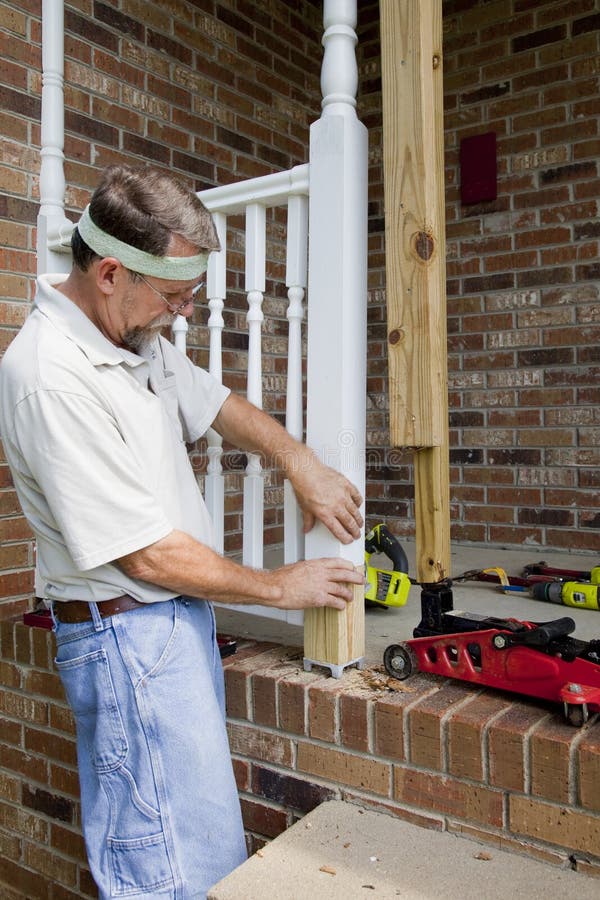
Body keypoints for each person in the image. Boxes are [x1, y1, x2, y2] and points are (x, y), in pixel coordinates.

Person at [0, 165, 364, 899]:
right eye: (174, 296)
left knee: (195, 859)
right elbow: (146, 554)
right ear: (110, 273)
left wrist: (300, 463)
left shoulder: (133, 338)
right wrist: (278, 587)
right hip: (126, 640)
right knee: (173, 877)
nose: (185, 312)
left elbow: (217, 403)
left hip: (164, 630)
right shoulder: (51, 375)